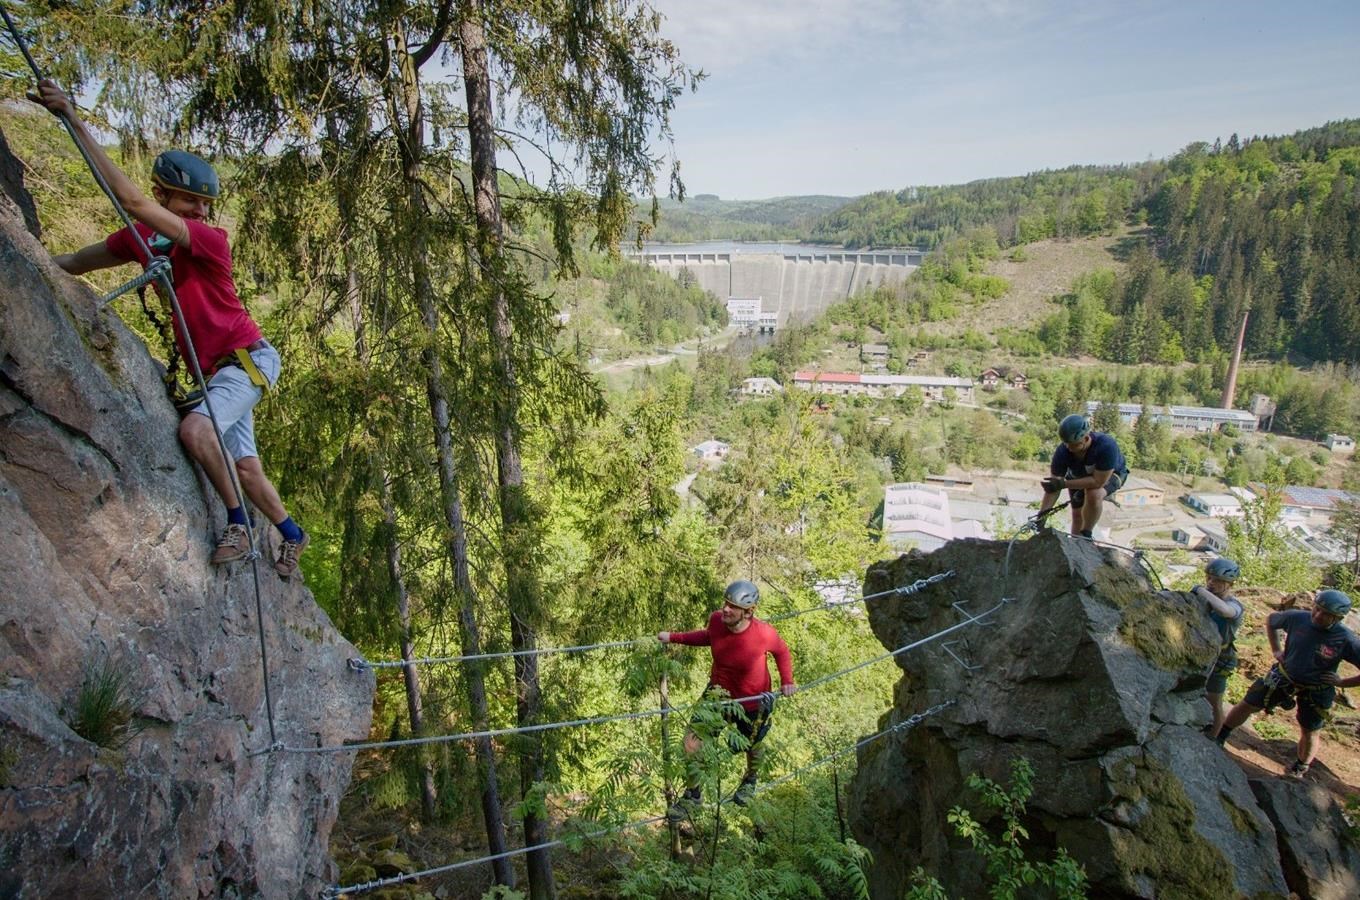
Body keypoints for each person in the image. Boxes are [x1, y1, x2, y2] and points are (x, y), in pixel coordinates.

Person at [29, 79, 307, 578]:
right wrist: (27, 257)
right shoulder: (140, 240)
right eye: (188, 202)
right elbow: (75, 261)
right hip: (220, 370)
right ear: (164, 194)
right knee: (245, 466)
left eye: (205, 204)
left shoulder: (208, 240)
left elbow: (134, 203)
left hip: (247, 359)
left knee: (197, 430)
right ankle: (292, 534)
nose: (200, 212)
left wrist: (72, 118)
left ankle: (238, 524)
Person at [659, 580, 796, 818]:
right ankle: (693, 796)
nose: (725, 609)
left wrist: (787, 681)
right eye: (725, 603)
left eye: (732, 606)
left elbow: (782, 652)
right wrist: (673, 637)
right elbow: (707, 636)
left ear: (749, 612)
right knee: (691, 744)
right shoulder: (716, 621)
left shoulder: (764, 633)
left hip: (753, 701)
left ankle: (750, 780)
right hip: (717, 696)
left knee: (752, 745)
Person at [1215, 590, 1360, 778]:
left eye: (1325, 614)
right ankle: (1221, 736)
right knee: (1248, 704)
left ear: (1337, 618)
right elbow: (1272, 620)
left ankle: (1300, 767)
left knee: (1310, 730)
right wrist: (1276, 649)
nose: (1317, 615)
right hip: (1284, 676)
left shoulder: (1346, 639)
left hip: (1316, 689)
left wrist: (1342, 682)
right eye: (1317, 609)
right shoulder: (1298, 618)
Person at [1037, 414, 1129, 538]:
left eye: (1074, 445)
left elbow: (1098, 482)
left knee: (1094, 494)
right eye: (1067, 444)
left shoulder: (1106, 446)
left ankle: (1086, 533)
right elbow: (1053, 487)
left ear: (1086, 438)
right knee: (1077, 514)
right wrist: (1042, 516)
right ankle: (1075, 543)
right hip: (1078, 475)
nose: (1069, 448)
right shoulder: (1063, 451)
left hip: (1111, 475)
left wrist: (1064, 484)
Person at [1193, 558, 1245, 739]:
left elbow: (1226, 611)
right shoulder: (1205, 599)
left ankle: (1214, 738)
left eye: (1216, 580)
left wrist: (1200, 590)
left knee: (1214, 700)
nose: (1211, 583)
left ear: (1229, 584)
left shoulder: (1234, 605)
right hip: (1201, 653)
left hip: (1222, 658)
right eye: (1209, 578)